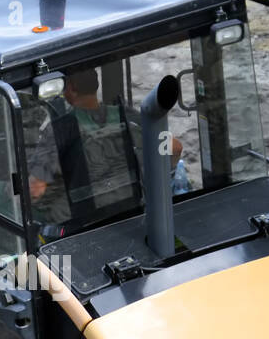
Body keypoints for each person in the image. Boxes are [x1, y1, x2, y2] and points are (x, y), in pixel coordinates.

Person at [28, 68, 184, 233]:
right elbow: (175, 148)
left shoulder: (58, 130)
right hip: (134, 215)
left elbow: (36, 189)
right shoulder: (127, 116)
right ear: (96, 86)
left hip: (81, 229)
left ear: (70, 88)